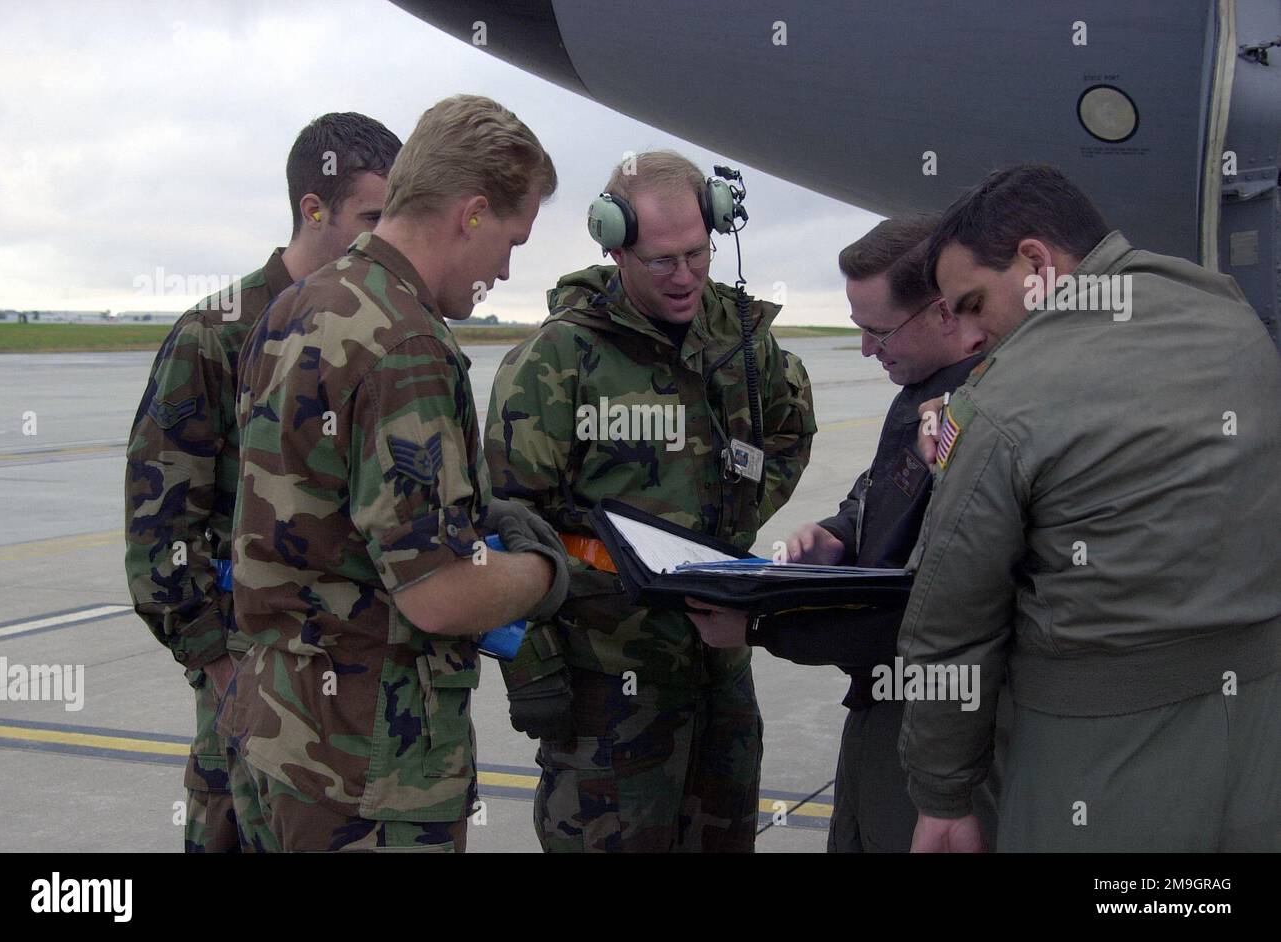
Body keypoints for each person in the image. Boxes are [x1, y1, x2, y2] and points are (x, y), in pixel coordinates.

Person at [214, 95, 567, 853]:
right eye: (511, 239)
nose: (506, 268)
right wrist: (542, 571)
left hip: (276, 731)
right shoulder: (406, 343)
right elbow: (439, 595)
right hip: (368, 773)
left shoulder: (295, 306)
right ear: (471, 214)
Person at [903, 163, 1281, 852]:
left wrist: (943, 793)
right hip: (1258, 735)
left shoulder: (1003, 404)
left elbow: (950, 624)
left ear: (1035, 262)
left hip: (1101, 763)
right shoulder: (1227, 316)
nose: (965, 338)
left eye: (972, 304)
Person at [484, 150, 816, 852]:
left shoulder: (740, 338)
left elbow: (790, 429)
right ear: (614, 244)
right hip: (606, 681)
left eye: (698, 253)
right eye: (662, 260)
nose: (686, 275)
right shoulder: (557, 362)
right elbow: (506, 524)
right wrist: (533, 668)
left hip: (719, 668)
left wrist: (726, 527)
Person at [124, 112, 401, 852]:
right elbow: (159, 531)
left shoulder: (378, 331)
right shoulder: (219, 333)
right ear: (314, 209)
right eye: (372, 217)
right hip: (247, 682)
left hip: (348, 691)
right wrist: (218, 664)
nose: (385, 237)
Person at [690, 215, 999, 852]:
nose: (866, 350)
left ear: (943, 312)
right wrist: (837, 532)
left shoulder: (985, 417)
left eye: (876, 331)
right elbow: (881, 490)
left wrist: (758, 625)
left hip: (941, 731)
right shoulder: (928, 395)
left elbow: (927, 612)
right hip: (889, 712)